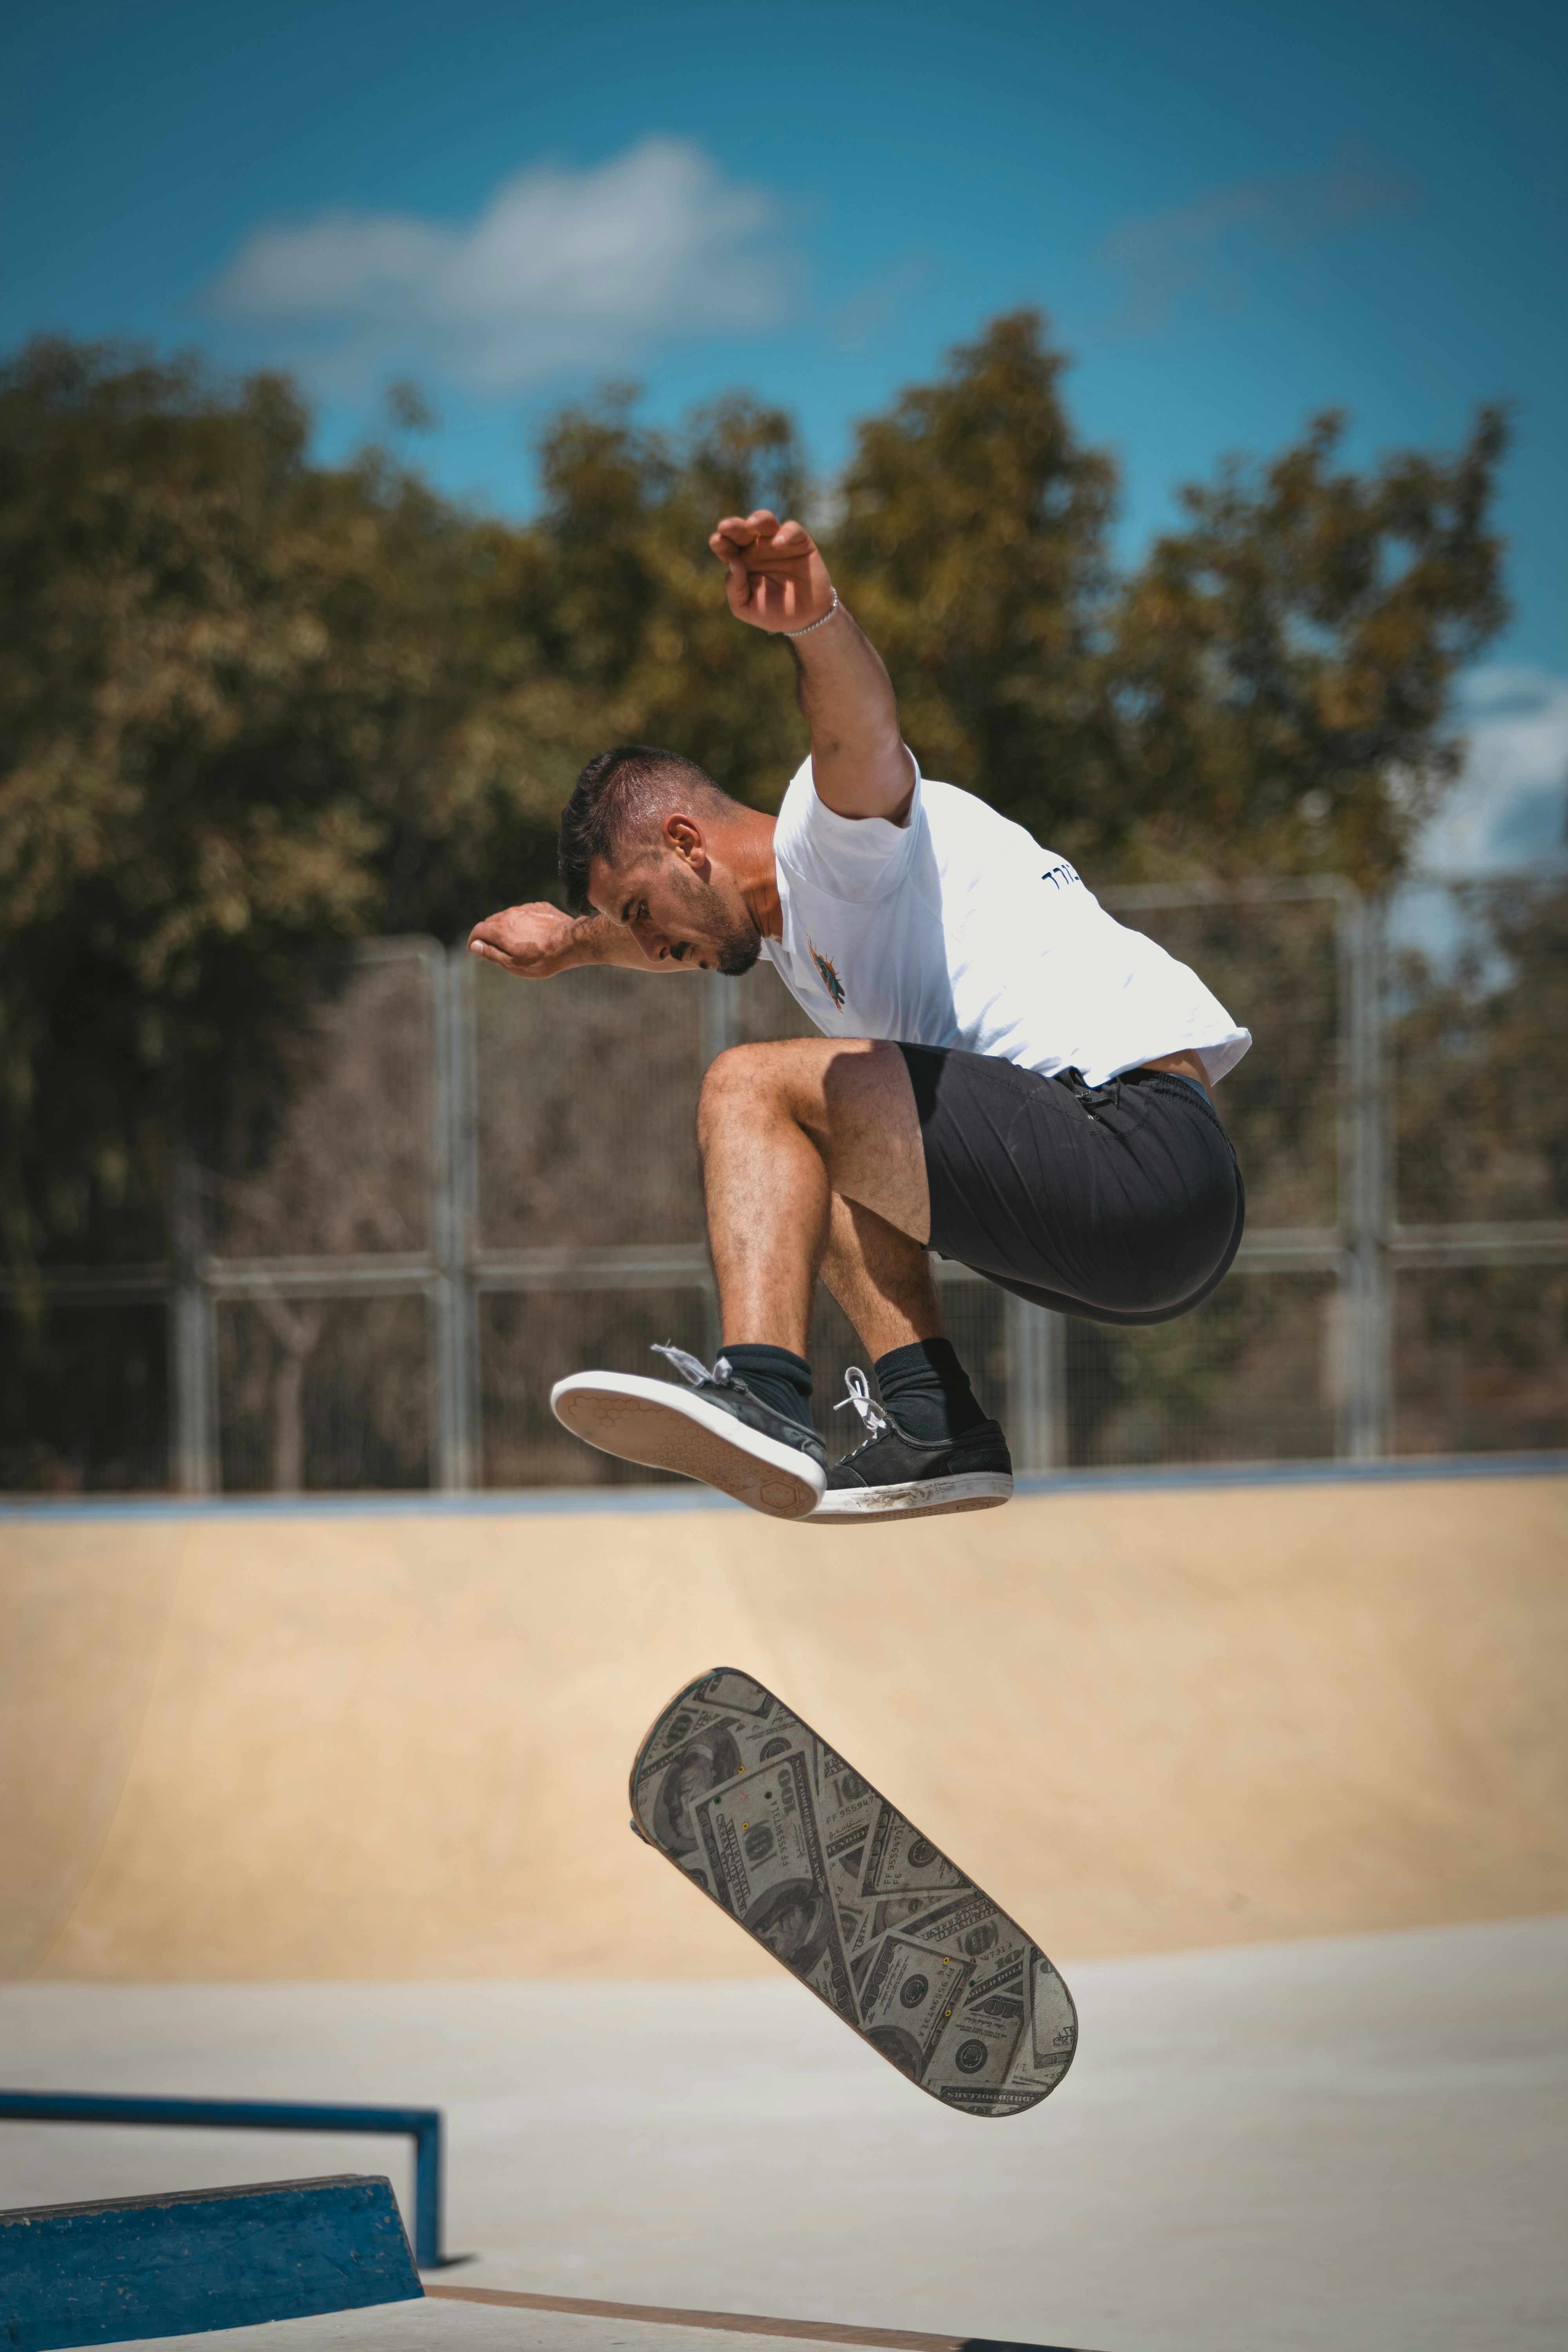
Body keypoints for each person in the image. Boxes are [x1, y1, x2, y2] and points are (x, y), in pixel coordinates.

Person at [469, 510, 1249, 1525]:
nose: (654, 950)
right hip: (1137, 1238)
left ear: (685, 841)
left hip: (1139, 1150)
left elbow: (860, 732)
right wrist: (575, 942)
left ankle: (761, 1390)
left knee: (750, 1087)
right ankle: (934, 1422)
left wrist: (815, 622)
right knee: (818, 1131)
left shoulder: (830, 841)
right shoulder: (789, 934)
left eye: (641, 914)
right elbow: (654, 938)